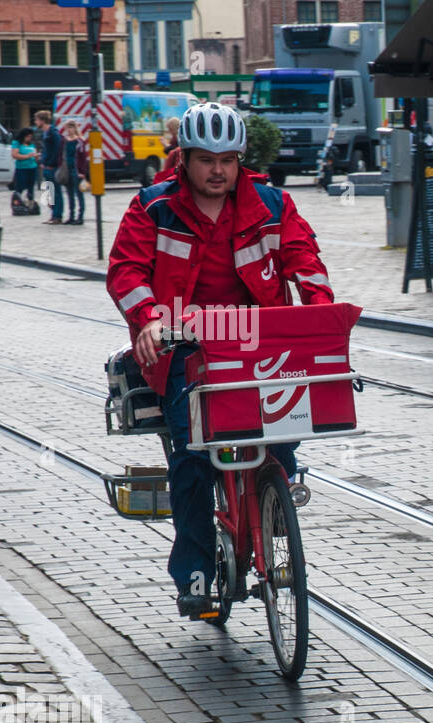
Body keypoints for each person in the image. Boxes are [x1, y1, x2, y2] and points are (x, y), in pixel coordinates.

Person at [106, 102, 335, 620]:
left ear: (240, 161)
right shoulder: (152, 206)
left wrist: (320, 313)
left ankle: (275, 524)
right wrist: (147, 319)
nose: (217, 171)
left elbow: (306, 261)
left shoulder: (273, 205)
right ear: (183, 159)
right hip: (185, 351)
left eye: (228, 160)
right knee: (190, 460)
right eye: (206, 160)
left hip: (260, 348)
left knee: (280, 438)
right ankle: (194, 570)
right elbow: (125, 271)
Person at [34, 110, 64, 225]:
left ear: (42, 120)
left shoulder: (53, 133)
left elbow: (57, 151)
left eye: (37, 120)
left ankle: (57, 216)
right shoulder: (46, 133)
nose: (36, 122)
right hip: (47, 166)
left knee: (56, 193)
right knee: (50, 193)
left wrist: (50, 163)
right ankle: (53, 215)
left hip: (52, 167)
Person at [60, 121, 87, 225]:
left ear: (74, 128)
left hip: (76, 170)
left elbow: (83, 158)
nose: (69, 130)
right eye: (67, 128)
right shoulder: (64, 140)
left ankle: (80, 217)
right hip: (67, 169)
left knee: (79, 194)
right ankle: (71, 216)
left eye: (70, 127)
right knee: (69, 194)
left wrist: (82, 171)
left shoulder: (79, 141)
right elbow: (60, 154)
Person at [10, 127, 39, 210]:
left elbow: (34, 154)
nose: (29, 138)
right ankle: (17, 203)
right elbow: (14, 155)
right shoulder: (17, 143)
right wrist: (28, 156)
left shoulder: (32, 144)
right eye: (28, 136)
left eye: (30, 136)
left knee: (31, 187)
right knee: (20, 186)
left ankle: (30, 203)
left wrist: (36, 157)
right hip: (22, 168)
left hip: (32, 167)